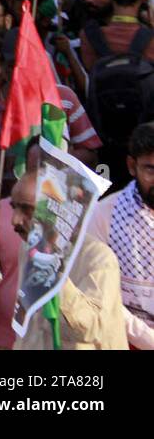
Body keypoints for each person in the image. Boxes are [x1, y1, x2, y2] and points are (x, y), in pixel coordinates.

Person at [0, 28, 101, 201]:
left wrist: (53, 160)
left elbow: (90, 155)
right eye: (15, 66)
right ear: (4, 68)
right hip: (0, 208)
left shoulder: (64, 99)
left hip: (53, 208)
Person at [8, 160, 127, 350]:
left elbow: (90, 330)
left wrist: (55, 275)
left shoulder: (99, 258)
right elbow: (30, 323)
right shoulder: (28, 249)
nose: (15, 220)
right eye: (13, 207)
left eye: (26, 209)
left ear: (56, 211)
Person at [86, 121, 154, 349]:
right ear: (131, 166)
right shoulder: (104, 214)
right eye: (151, 169)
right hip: (125, 339)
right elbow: (100, 292)